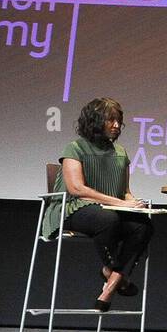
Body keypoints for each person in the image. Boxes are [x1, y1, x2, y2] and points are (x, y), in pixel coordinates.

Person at [46, 98, 153, 312]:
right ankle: (113, 272)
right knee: (107, 219)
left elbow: (125, 191)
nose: (115, 125)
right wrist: (121, 203)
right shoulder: (75, 148)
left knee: (143, 225)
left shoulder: (121, 153)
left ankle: (111, 283)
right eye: (110, 120)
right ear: (95, 121)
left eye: (118, 121)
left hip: (108, 209)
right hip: (73, 208)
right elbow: (77, 189)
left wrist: (134, 203)